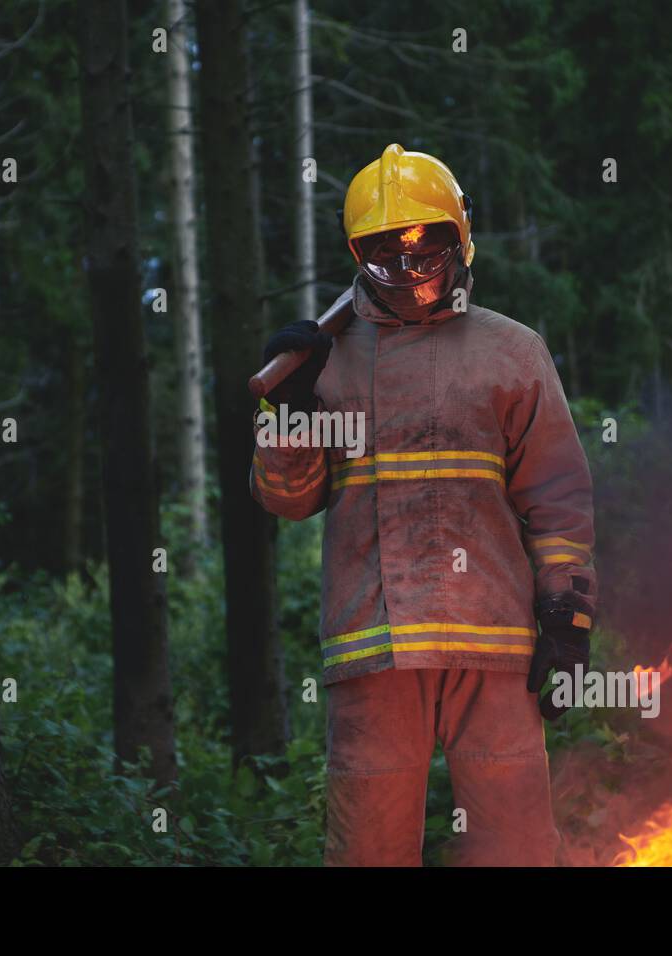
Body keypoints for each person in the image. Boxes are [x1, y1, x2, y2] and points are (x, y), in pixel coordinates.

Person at [250, 143, 597, 866]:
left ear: (460, 241)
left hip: (493, 644)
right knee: (367, 852)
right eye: (385, 257)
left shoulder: (513, 353)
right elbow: (287, 500)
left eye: (425, 250)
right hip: (374, 650)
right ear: (356, 254)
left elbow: (557, 498)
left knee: (516, 851)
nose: (408, 273)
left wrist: (568, 616)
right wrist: (289, 411)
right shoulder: (324, 362)